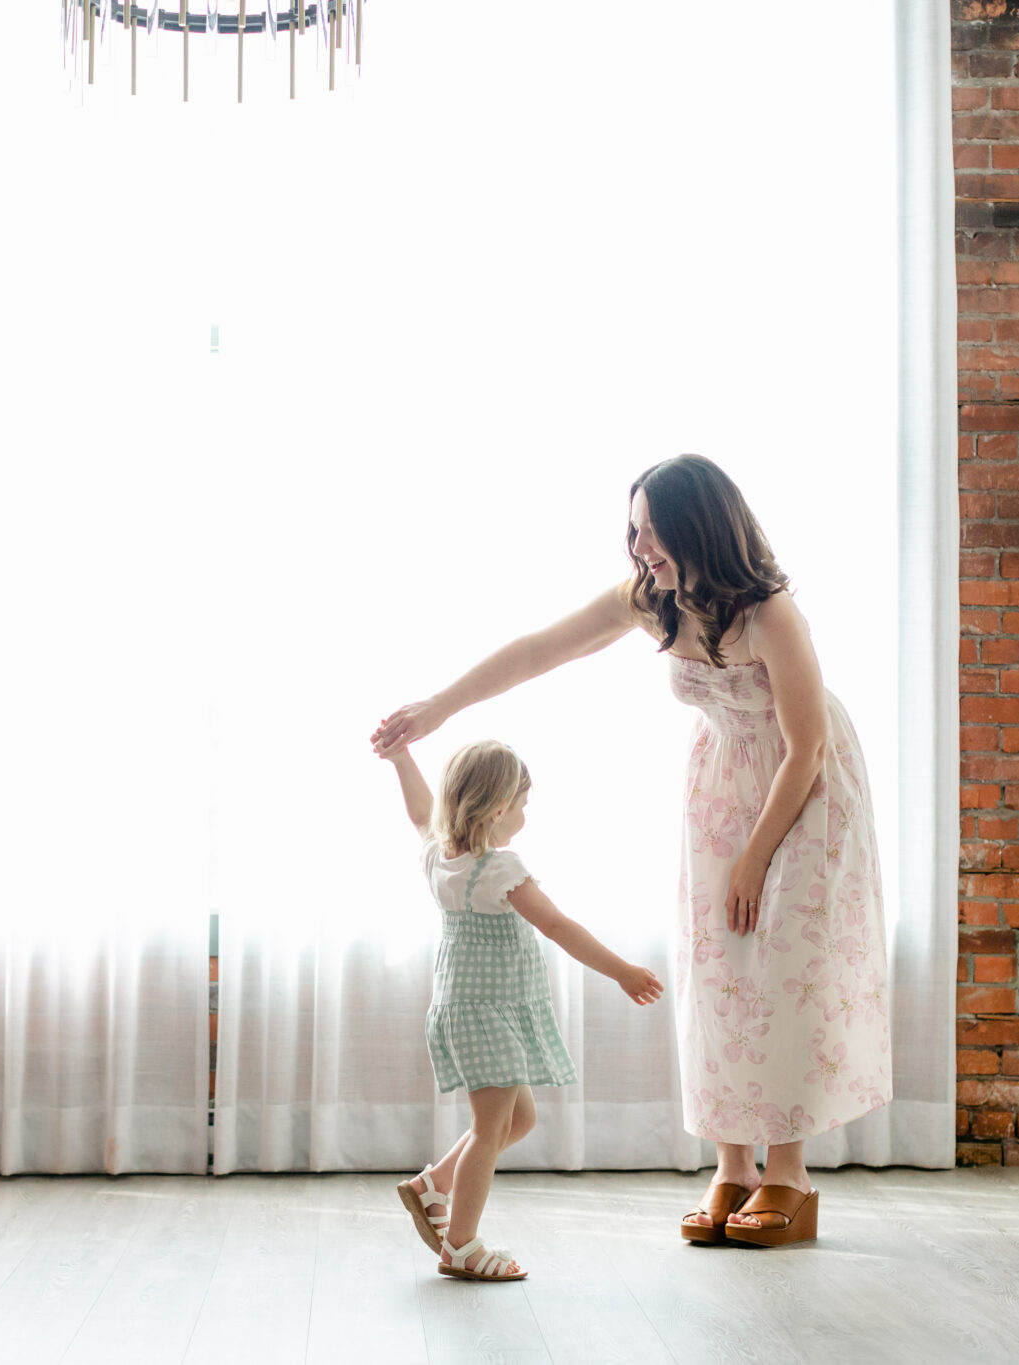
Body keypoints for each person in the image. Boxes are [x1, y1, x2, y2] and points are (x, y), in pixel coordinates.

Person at [372, 454, 890, 1249]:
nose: (640, 546)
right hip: (720, 786)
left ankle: (788, 1173)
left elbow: (808, 745)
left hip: (800, 789)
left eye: (652, 531)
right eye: (635, 531)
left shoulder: (770, 612)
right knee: (717, 966)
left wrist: (757, 856)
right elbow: (539, 650)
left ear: (697, 528)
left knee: (783, 970)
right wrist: (438, 707)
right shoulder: (650, 602)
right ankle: (733, 1164)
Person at [380, 737, 662, 1281]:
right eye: (524, 805)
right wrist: (622, 971)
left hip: (472, 1008)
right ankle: (460, 1245)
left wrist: (400, 760)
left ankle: (434, 1184)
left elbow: (419, 811)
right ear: (497, 806)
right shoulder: (501, 868)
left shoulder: (440, 854)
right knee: (490, 1130)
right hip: (490, 1012)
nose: (526, 816)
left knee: (520, 1118)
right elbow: (557, 926)